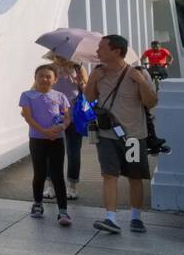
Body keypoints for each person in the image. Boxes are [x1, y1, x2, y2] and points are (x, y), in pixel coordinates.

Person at [88, 33, 158, 234]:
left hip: (133, 136)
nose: (97, 52)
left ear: (116, 51)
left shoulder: (138, 72)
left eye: (101, 48)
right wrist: (92, 81)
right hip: (107, 135)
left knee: (134, 176)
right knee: (109, 175)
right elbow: (89, 97)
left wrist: (142, 82)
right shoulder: (98, 72)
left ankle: (136, 217)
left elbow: (151, 102)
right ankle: (111, 218)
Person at [19, 64, 72, 227]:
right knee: (39, 173)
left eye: (48, 76)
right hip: (37, 139)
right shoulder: (27, 95)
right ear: (35, 78)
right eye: (41, 75)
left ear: (55, 80)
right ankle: (37, 204)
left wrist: (61, 127)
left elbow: (67, 117)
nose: (44, 79)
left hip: (56, 139)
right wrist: (44, 131)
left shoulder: (60, 96)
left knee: (57, 175)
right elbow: (28, 117)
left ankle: (63, 210)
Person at [43, 53, 88, 201]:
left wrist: (80, 82)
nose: (61, 57)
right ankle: (49, 185)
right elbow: (37, 89)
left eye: (64, 54)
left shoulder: (78, 68)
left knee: (74, 152)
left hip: (74, 118)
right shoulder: (48, 69)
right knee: (51, 152)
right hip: (53, 118)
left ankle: (72, 186)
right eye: (58, 54)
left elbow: (87, 93)